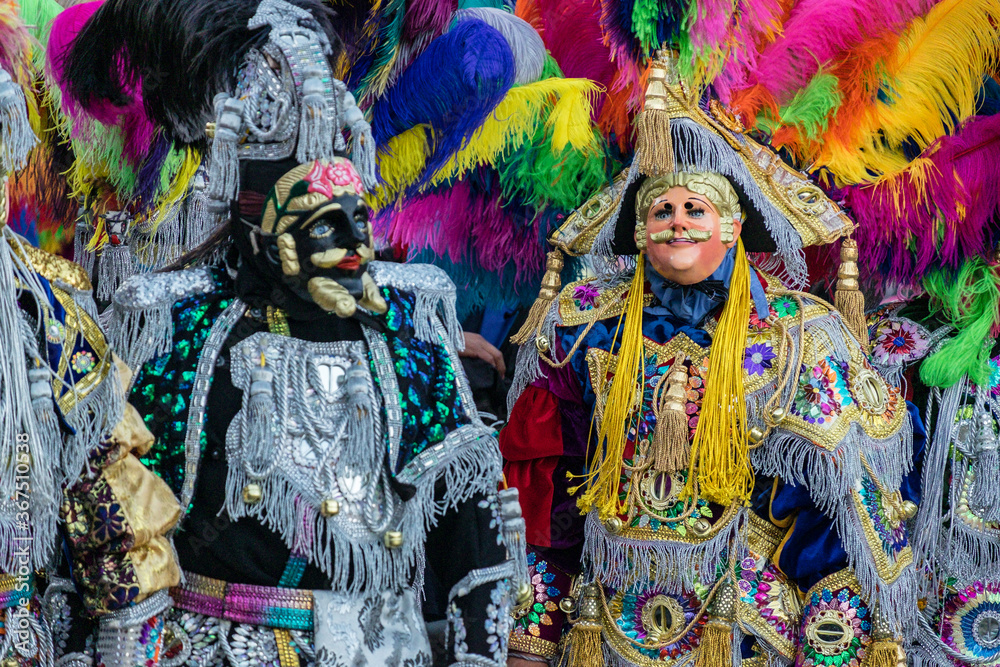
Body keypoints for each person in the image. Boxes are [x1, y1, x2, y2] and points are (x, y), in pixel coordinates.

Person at [55, 0, 527, 664]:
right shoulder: (179, 329)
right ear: (262, 235)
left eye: (358, 221)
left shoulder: (414, 345)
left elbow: (473, 546)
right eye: (323, 227)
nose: (354, 248)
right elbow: (114, 526)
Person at [501, 52, 914, 666]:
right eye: (661, 211)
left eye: (696, 209)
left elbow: (843, 515)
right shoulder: (583, 326)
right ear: (639, 231)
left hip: (745, 628)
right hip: (603, 623)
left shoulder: (800, 334)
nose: (678, 223)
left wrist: (833, 647)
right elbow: (549, 500)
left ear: (733, 226)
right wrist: (531, 636)